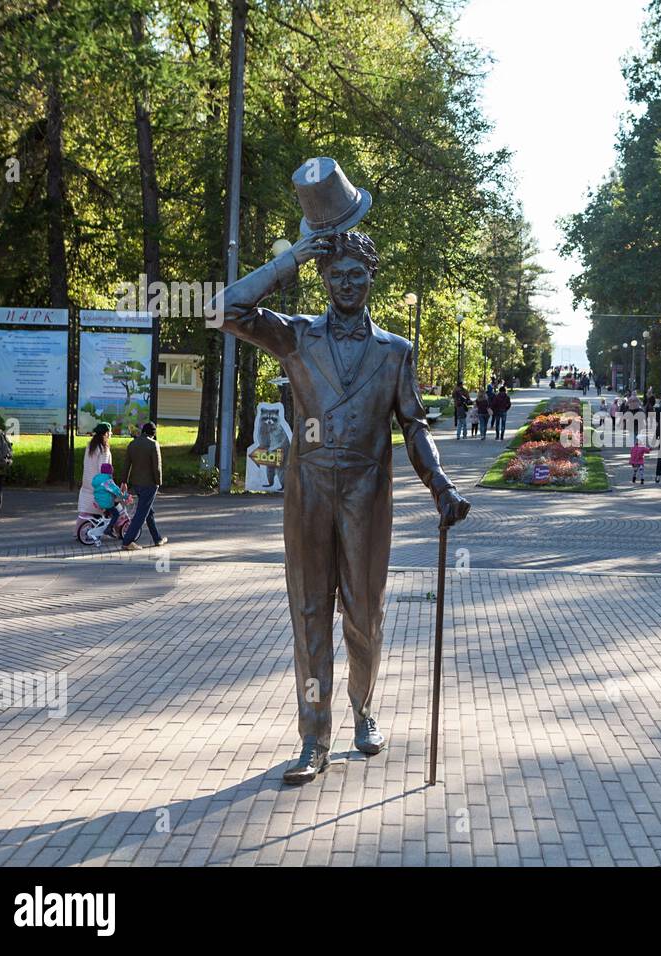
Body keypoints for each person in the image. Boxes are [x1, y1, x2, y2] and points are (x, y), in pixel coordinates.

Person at [209, 160, 470, 786]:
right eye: (336, 273)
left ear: (371, 278)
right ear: (323, 277)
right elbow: (222, 310)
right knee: (307, 613)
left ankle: (363, 707)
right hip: (307, 491)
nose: (347, 282)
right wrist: (289, 258)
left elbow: (414, 426)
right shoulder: (295, 337)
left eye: (357, 273)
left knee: (364, 616)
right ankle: (312, 737)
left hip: (366, 492)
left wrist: (441, 485)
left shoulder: (395, 352)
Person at [120, 421, 168, 551]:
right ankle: (127, 541)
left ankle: (157, 538)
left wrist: (124, 481)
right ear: (153, 433)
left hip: (136, 484)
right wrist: (159, 483)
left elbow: (126, 465)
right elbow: (157, 467)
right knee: (141, 513)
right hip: (150, 484)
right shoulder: (153, 445)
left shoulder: (132, 444)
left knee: (148, 511)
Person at [77, 422, 113, 516]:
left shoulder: (90, 446)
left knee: (89, 517)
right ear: (106, 434)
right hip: (98, 487)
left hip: (86, 485)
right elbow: (103, 470)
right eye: (110, 432)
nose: (111, 434)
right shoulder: (103, 449)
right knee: (103, 517)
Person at [91, 462, 129, 527]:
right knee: (116, 514)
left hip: (98, 501)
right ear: (110, 472)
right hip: (106, 502)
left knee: (108, 512)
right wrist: (125, 496)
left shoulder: (98, 479)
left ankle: (106, 525)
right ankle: (109, 529)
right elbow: (116, 490)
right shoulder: (108, 481)